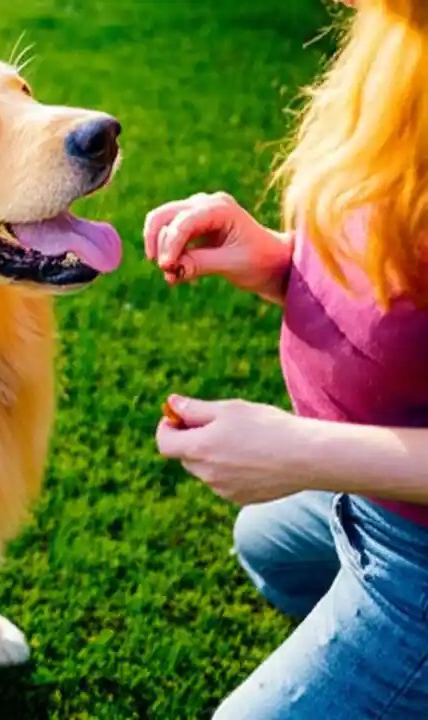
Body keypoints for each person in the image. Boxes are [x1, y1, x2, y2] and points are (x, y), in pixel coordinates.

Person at [141, 0, 428, 716]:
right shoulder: (396, 47)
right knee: (266, 548)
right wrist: (280, 262)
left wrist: (303, 451)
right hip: (363, 496)